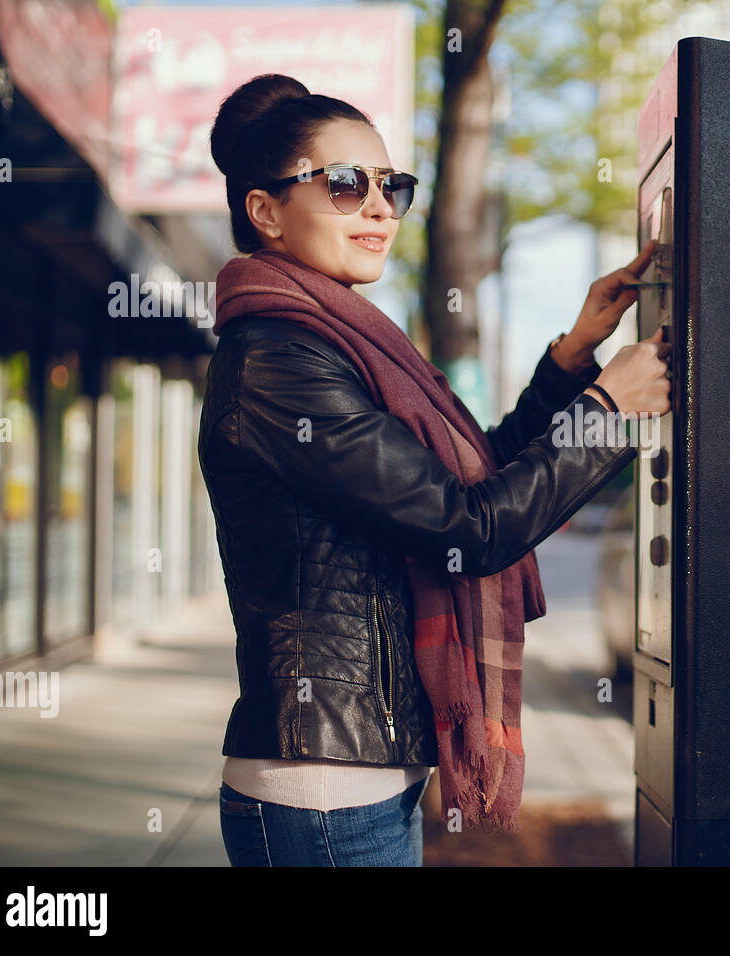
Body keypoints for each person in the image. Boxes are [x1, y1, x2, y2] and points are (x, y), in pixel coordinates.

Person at [199, 74, 671, 866]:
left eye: (392, 185)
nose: (380, 208)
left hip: (356, 780)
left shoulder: (331, 340)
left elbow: (464, 486)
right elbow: (468, 530)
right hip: (323, 792)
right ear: (266, 210)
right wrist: (605, 410)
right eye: (347, 184)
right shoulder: (280, 363)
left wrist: (572, 359)